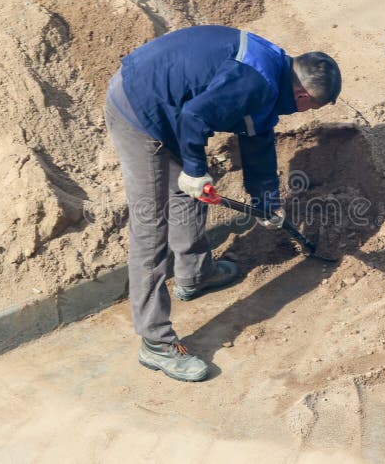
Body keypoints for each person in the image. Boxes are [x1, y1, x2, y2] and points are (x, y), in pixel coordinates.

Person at [104, 25, 341, 382]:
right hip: (140, 109)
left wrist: (266, 202)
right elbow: (194, 117)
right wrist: (195, 170)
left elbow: (257, 135)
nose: (303, 114)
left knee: (190, 196)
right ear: (304, 96)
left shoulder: (275, 71)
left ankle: (195, 275)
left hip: (170, 106)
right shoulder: (256, 81)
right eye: (311, 108)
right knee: (151, 228)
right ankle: (155, 343)